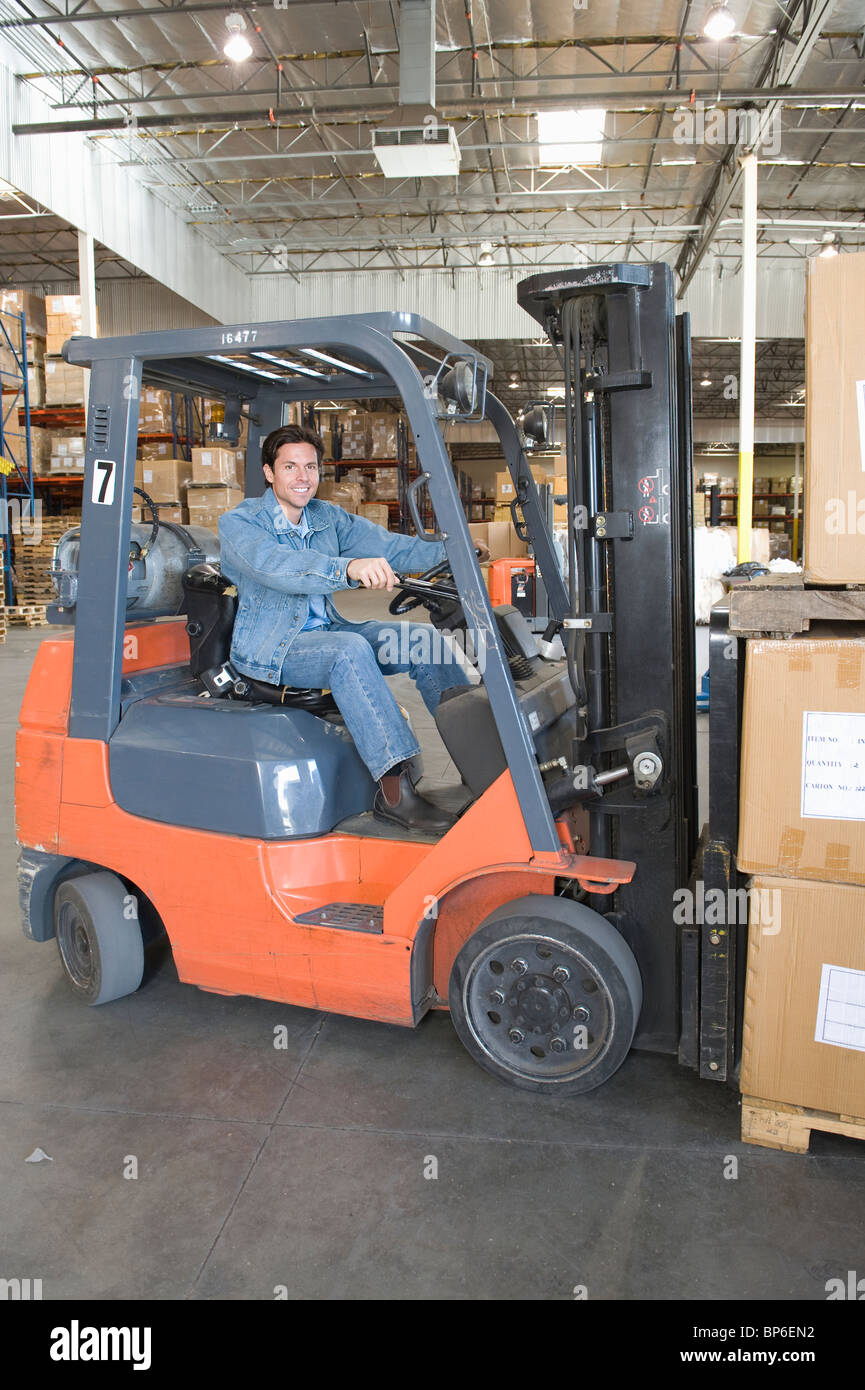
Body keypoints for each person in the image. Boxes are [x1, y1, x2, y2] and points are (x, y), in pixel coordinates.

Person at [219, 423, 488, 833]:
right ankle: (395, 791)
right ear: (269, 473)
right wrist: (346, 568)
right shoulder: (241, 523)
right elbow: (275, 567)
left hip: (327, 629)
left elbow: (389, 545)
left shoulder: (326, 518)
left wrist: (453, 551)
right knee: (348, 651)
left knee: (422, 640)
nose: (303, 477)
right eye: (290, 467)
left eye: (310, 467)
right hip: (273, 649)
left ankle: (479, 762)